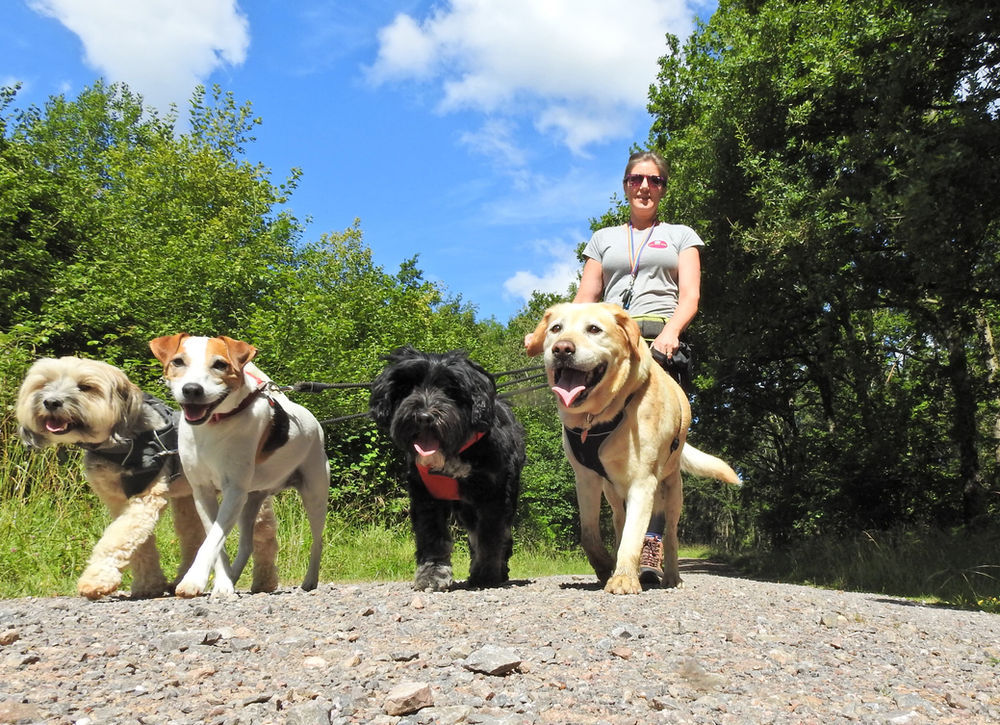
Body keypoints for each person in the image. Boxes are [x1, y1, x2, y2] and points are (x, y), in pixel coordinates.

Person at [573, 149, 705, 585]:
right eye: (636, 179)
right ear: (625, 185)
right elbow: (584, 299)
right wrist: (565, 338)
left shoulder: (682, 236)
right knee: (600, 448)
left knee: (653, 461)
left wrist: (671, 332)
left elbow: (689, 297)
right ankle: (604, 540)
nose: (644, 187)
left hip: (661, 347)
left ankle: (651, 544)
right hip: (613, 348)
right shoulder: (603, 239)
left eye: (654, 181)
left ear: (663, 189)